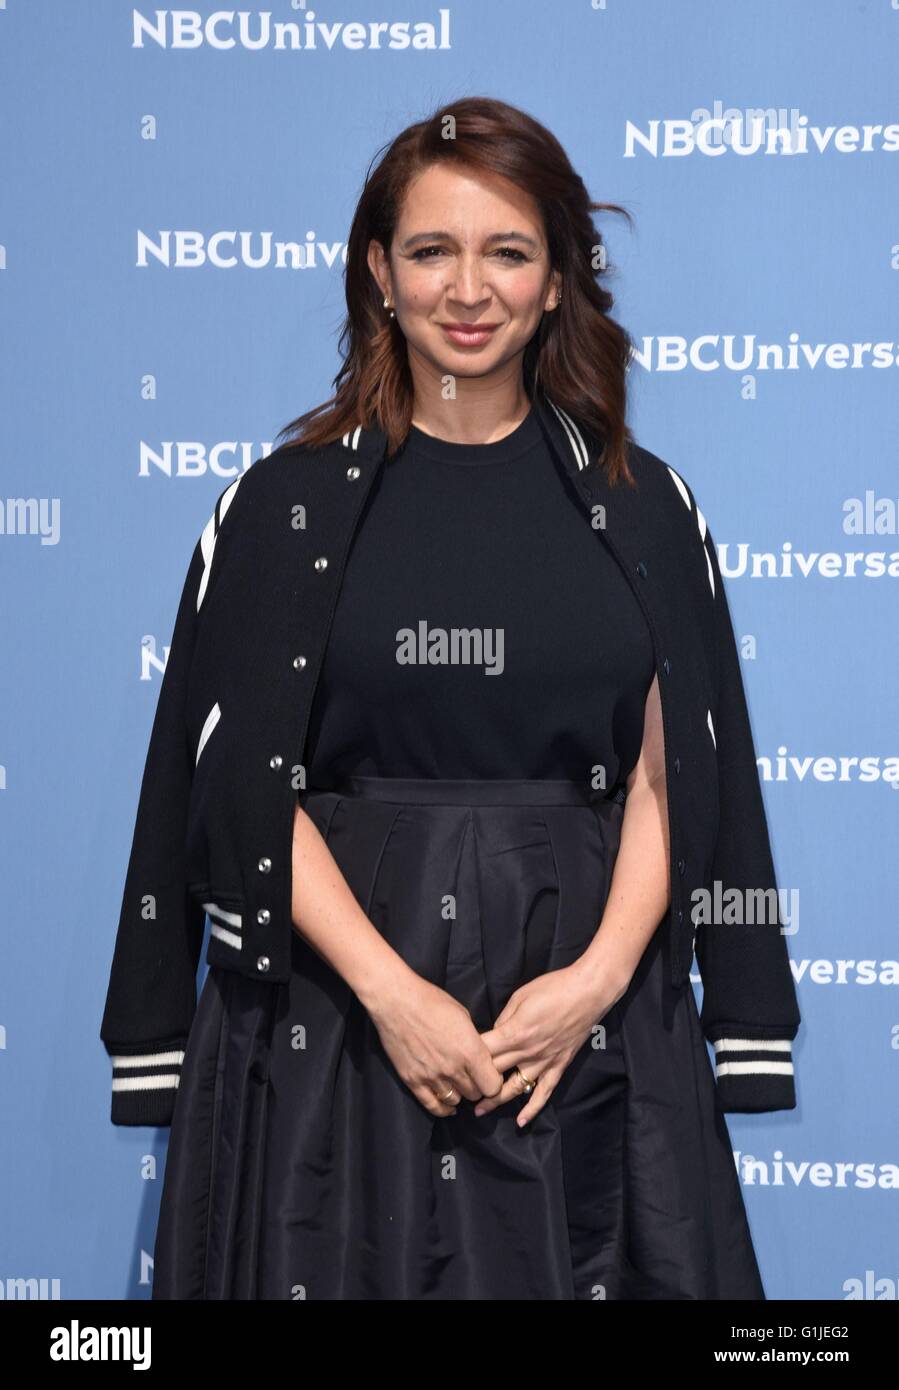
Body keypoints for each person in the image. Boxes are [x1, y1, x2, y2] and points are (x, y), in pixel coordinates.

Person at [101, 96, 801, 1300]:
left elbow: (670, 774)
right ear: (379, 272)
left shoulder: (645, 509)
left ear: (556, 278)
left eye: (507, 251)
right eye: (430, 251)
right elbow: (238, 786)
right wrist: (392, 996)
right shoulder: (280, 508)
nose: (466, 289)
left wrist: (589, 987)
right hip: (341, 1033)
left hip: (585, 1035)